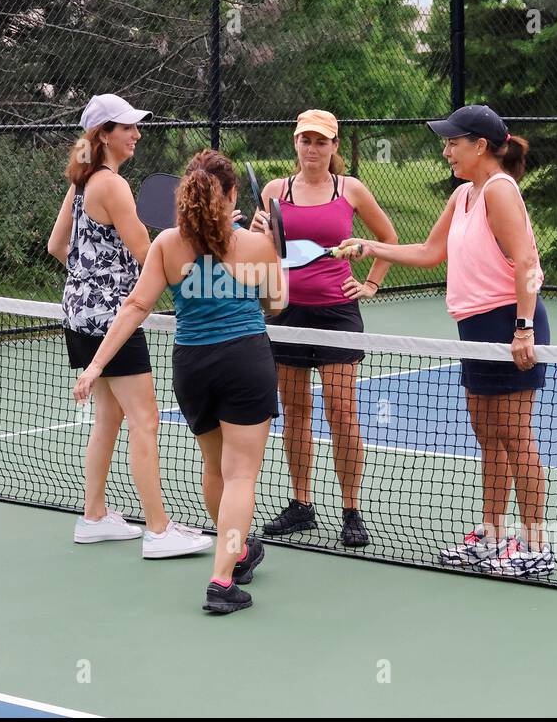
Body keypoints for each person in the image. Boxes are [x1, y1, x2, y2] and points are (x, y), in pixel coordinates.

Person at [339, 104, 555, 576]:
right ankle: (494, 532)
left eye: (453, 142)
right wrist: (370, 246)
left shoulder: (500, 191)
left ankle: (536, 542)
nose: (446, 151)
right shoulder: (463, 197)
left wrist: (523, 328)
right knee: (489, 438)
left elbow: (525, 263)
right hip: (472, 328)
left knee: (516, 438)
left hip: (507, 324)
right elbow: (429, 251)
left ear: (480, 146)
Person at [74, 149, 287, 613]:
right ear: (230, 196)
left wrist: (94, 366)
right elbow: (276, 304)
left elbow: (134, 307)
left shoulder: (166, 245)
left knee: (216, 470)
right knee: (241, 476)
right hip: (245, 361)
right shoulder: (255, 246)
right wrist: (272, 251)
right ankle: (222, 579)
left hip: (194, 368)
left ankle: (237, 551)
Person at [48, 93, 211, 559]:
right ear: (104, 135)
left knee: (109, 417)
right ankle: (159, 530)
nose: (137, 134)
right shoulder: (113, 187)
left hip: (78, 315)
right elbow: (148, 255)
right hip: (111, 321)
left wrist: (91, 280)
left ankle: (94, 516)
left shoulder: (81, 182)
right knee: (146, 420)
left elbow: (57, 246)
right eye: (128, 128)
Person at [251, 109, 397, 548]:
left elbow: (385, 239)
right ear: (295, 143)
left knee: (342, 413)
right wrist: (259, 230)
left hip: (337, 314)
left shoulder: (349, 189)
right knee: (295, 414)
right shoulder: (276, 192)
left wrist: (371, 282)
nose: (312, 149)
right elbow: (265, 253)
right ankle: (302, 505)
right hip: (286, 314)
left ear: (334, 147)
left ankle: (351, 509)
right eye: (305, 140)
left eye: (321, 141)